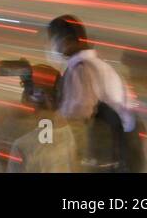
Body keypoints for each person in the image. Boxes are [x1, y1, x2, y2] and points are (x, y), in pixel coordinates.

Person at [47, 14, 138, 171]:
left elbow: (77, 116)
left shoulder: (82, 70)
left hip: (97, 155)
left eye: (54, 40)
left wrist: (50, 121)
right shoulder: (100, 66)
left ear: (67, 40)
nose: (54, 47)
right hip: (114, 151)